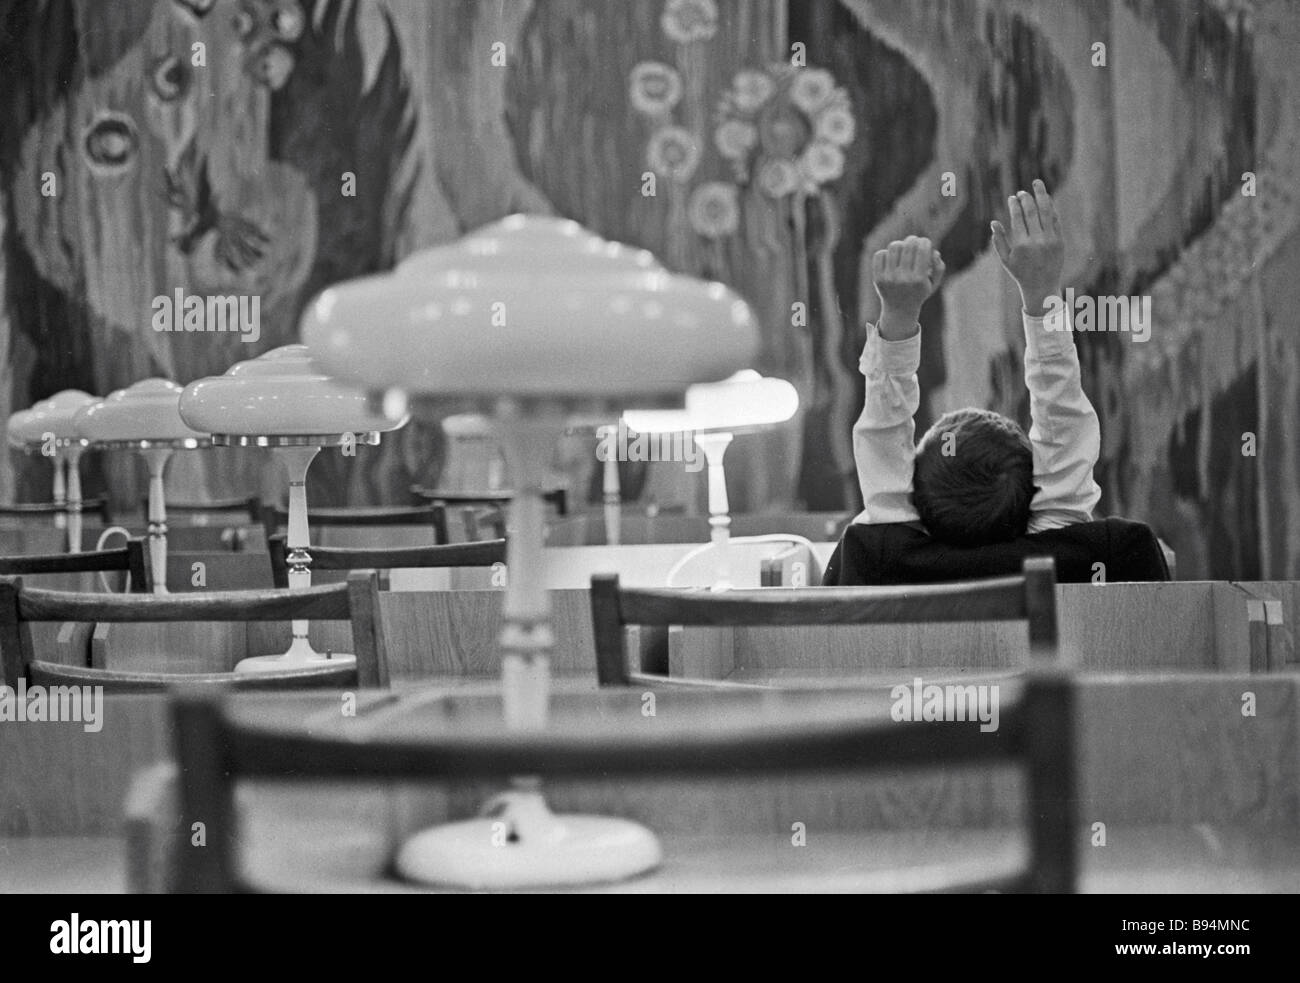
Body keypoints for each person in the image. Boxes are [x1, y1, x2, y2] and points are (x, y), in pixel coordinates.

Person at [823, 180, 1169, 585]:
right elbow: (1063, 435)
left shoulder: (877, 563)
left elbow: (884, 475)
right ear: (1034, 498)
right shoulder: (1107, 555)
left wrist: (896, 320)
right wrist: (1042, 294)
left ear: (913, 501)